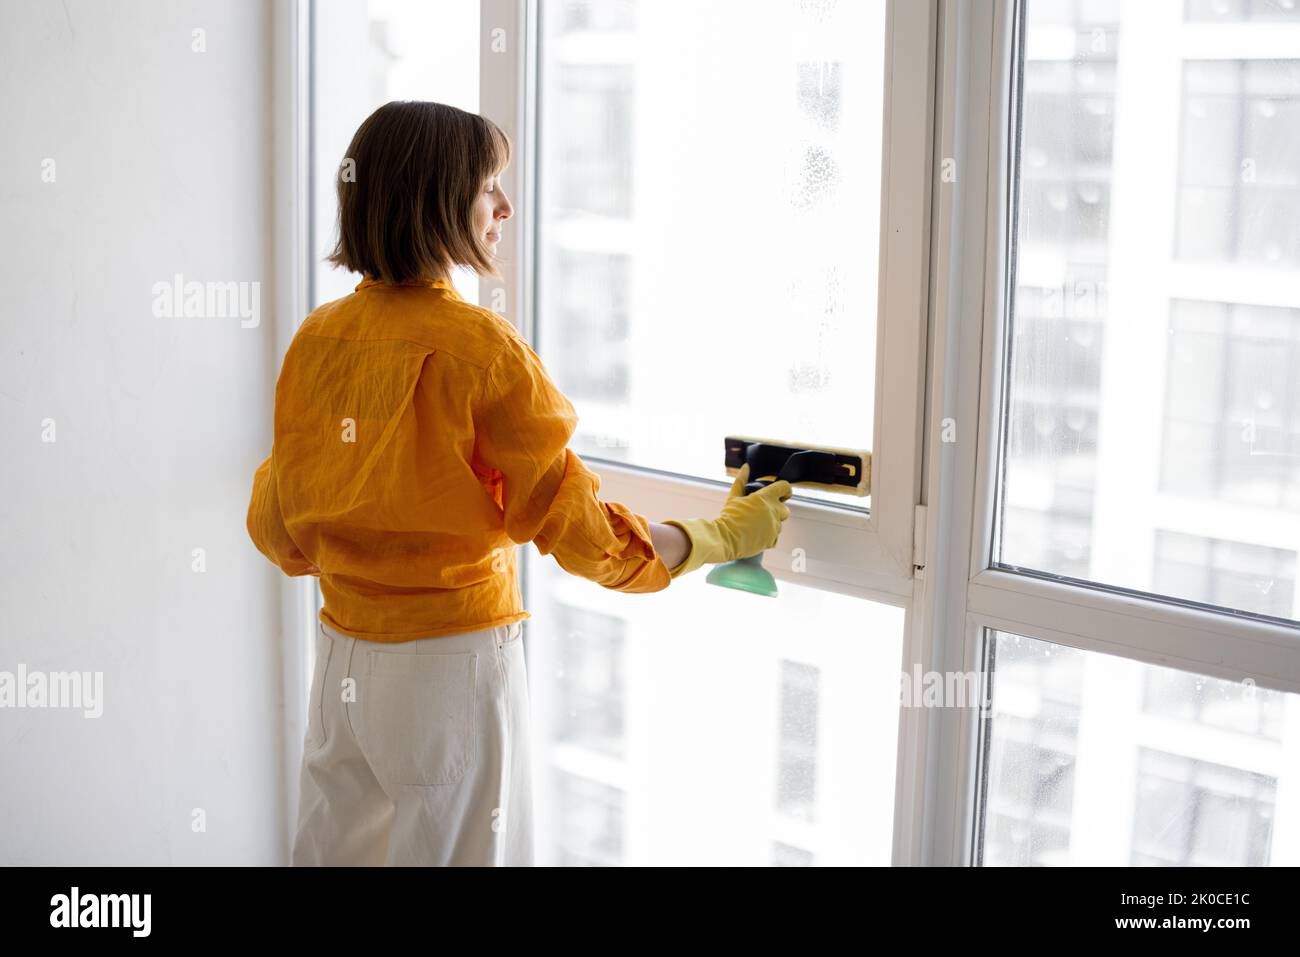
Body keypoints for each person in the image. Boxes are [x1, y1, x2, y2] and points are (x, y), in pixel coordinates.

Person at [246, 100, 793, 866]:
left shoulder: (317, 339)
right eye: (486, 184)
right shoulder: (481, 351)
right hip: (448, 672)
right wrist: (716, 537)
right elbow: (579, 532)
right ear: (434, 200)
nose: (504, 205)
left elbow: (279, 527)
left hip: (340, 659)